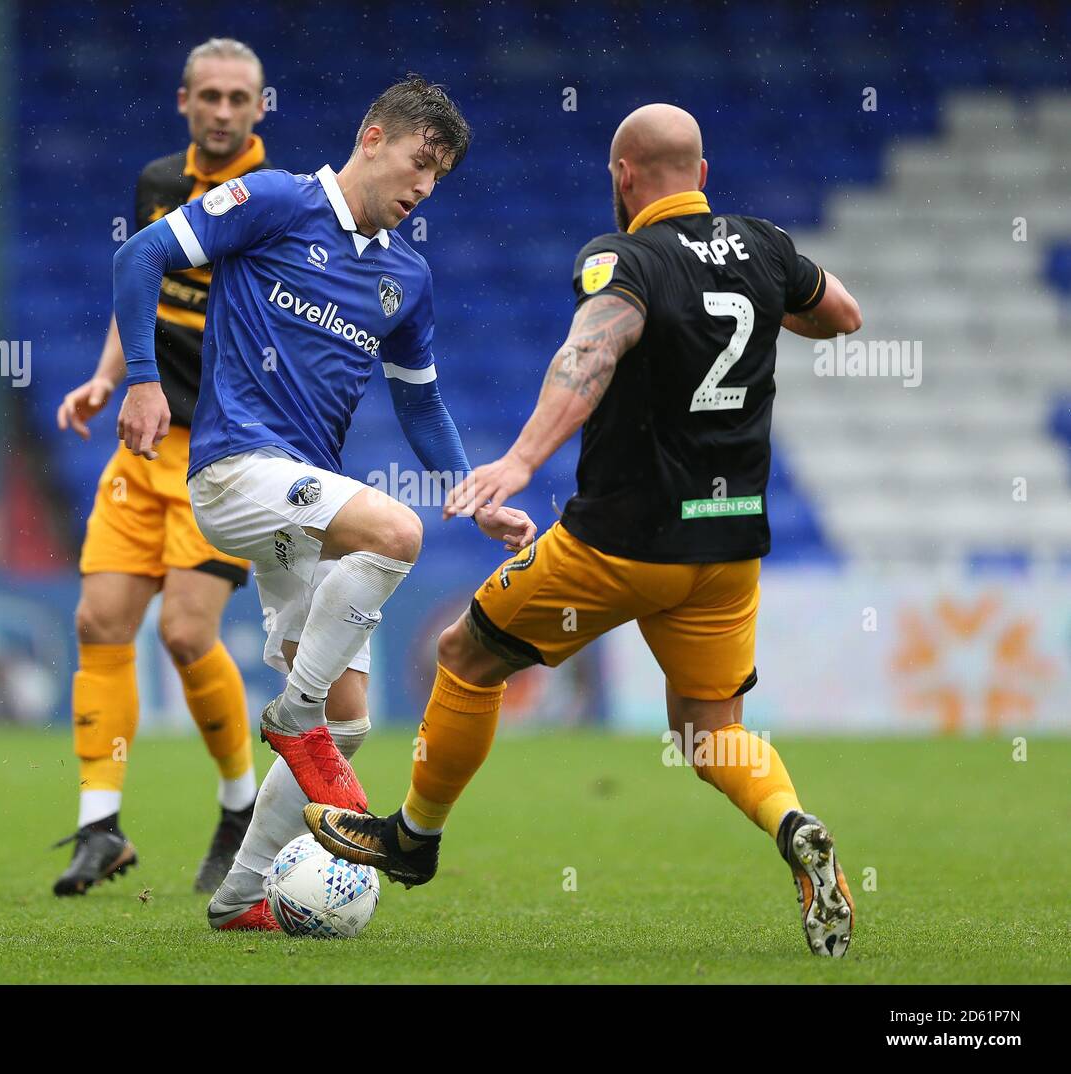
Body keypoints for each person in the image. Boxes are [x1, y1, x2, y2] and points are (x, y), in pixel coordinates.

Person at [306, 103, 864, 958]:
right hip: (727, 546)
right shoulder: (765, 245)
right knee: (709, 730)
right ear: (702, 175)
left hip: (620, 543)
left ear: (623, 177)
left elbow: (591, 352)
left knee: (465, 656)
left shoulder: (623, 258)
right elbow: (843, 316)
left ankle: (412, 839)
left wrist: (520, 461)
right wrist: (759, 300)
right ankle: (792, 823)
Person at [112, 75, 535, 929]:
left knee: (349, 727)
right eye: (420, 163)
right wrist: (145, 380)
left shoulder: (406, 275)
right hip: (235, 469)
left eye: (440, 177)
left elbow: (419, 400)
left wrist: (472, 491)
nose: (425, 187)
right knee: (394, 531)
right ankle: (291, 713)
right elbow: (140, 255)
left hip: (298, 506)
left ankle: (237, 901)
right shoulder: (275, 202)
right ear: (373, 138)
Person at [51, 39, 272, 898]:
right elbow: (138, 290)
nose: (222, 110)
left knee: (185, 633)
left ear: (260, 107)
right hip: (141, 443)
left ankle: (240, 804)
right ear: (184, 101)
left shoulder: (276, 203)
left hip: (222, 455)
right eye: (209, 95)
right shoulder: (157, 183)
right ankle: (100, 826)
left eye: (238, 98)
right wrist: (107, 376)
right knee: (100, 622)